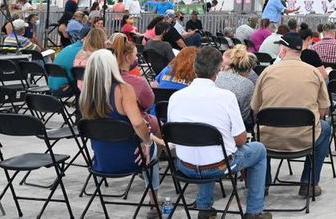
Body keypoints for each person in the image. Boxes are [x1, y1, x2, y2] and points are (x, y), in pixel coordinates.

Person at [168, 46, 270, 219]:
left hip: (184, 166)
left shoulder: (175, 97)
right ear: (219, 70)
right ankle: (254, 210)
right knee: (258, 149)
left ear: (194, 68)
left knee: (205, 147)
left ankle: (204, 206)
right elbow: (240, 140)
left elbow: (174, 136)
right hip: (218, 166)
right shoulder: (226, 97)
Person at [80, 49, 161, 216]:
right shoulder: (124, 89)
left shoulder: (87, 93)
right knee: (151, 147)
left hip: (100, 159)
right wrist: (147, 142)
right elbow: (138, 123)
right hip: (129, 158)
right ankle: (154, 203)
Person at [250, 33, 331, 199]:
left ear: (283, 50)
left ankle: (263, 184)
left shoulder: (267, 72)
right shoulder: (314, 73)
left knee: (257, 132)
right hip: (304, 138)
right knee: (325, 128)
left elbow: (255, 109)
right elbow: (324, 109)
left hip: (268, 137)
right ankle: (309, 183)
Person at [109, 33, 159, 135]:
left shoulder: (100, 81)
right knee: (158, 124)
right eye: (135, 55)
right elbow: (148, 104)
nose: (136, 58)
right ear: (128, 58)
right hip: (132, 129)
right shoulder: (137, 82)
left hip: (105, 130)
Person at [215, 45, 257, 129]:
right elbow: (244, 116)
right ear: (249, 70)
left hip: (213, 122)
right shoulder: (248, 85)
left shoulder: (215, 76)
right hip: (232, 128)